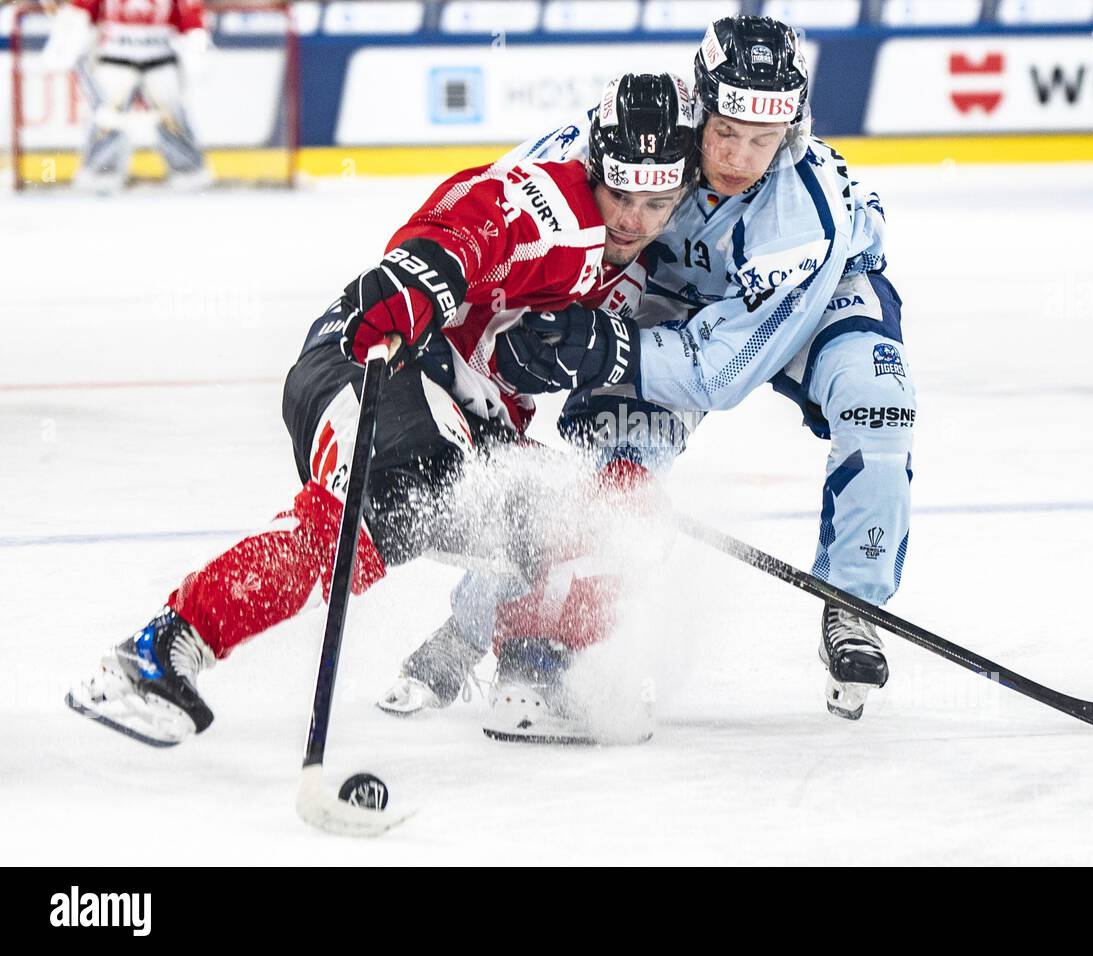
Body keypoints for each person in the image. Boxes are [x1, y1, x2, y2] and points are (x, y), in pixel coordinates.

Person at [64, 72, 697, 747]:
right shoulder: (558, 206)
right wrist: (425, 271)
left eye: (656, 199)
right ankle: (159, 650)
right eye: (620, 190)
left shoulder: (630, 276)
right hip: (371, 362)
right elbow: (478, 216)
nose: (632, 216)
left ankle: (533, 677)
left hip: (462, 424)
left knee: (600, 515)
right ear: (594, 169)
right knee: (397, 497)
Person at [386, 16, 915, 724]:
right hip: (666, 307)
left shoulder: (802, 216)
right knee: (609, 484)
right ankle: (474, 626)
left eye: (763, 141)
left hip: (809, 303)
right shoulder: (643, 130)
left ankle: (853, 603)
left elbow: (724, 371)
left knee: (876, 403)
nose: (738, 157)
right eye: (725, 131)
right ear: (700, 104)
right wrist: (427, 285)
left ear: (789, 130)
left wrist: (605, 346)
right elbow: (509, 195)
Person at [40, 0, 213, 191]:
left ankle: (188, 171)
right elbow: (82, 10)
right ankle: (101, 172)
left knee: (172, 117)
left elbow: (190, 16)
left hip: (161, 57)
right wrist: (66, 38)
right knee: (107, 117)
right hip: (115, 56)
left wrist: (197, 46)